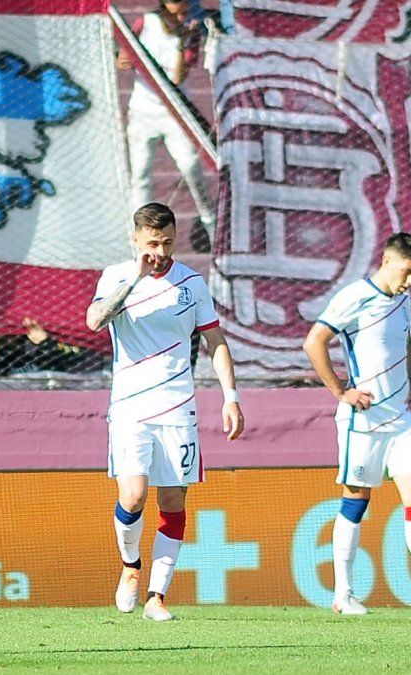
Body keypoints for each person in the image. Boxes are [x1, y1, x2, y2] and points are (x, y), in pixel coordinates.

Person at [86, 202, 244, 621]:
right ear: (136, 239)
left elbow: (215, 341)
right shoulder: (116, 276)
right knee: (134, 495)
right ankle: (130, 567)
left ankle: (157, 596)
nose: (160, 251)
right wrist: (136, 278)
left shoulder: (191, 283)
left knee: (173, 499)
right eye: (153, 243)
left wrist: (230, 396)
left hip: (177, 408)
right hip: (130, 407)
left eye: (168, 243)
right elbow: (95, 320)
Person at [302, 232, 411, 616]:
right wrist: (341, 391)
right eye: (407, 272)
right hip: (364, 419)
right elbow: (314, 342)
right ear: (387, 261)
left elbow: (404, 340)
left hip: (400, 419)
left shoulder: (402, 299)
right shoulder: (354, 296)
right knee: (356, 500)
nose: (410, 281)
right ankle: (343, 594)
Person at [118, 0, 216, 253]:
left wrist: (184, 40)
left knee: (191, 167)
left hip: (174, 112)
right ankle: (140, 236)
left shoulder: (191, 31)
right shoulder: (147, 22)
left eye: (184, 9)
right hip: (143, 110)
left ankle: (211, 224)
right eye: (175, 8)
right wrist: (125, 56)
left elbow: (178, 77)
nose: (180, 14)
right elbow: (124, 58)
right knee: (140, 175)